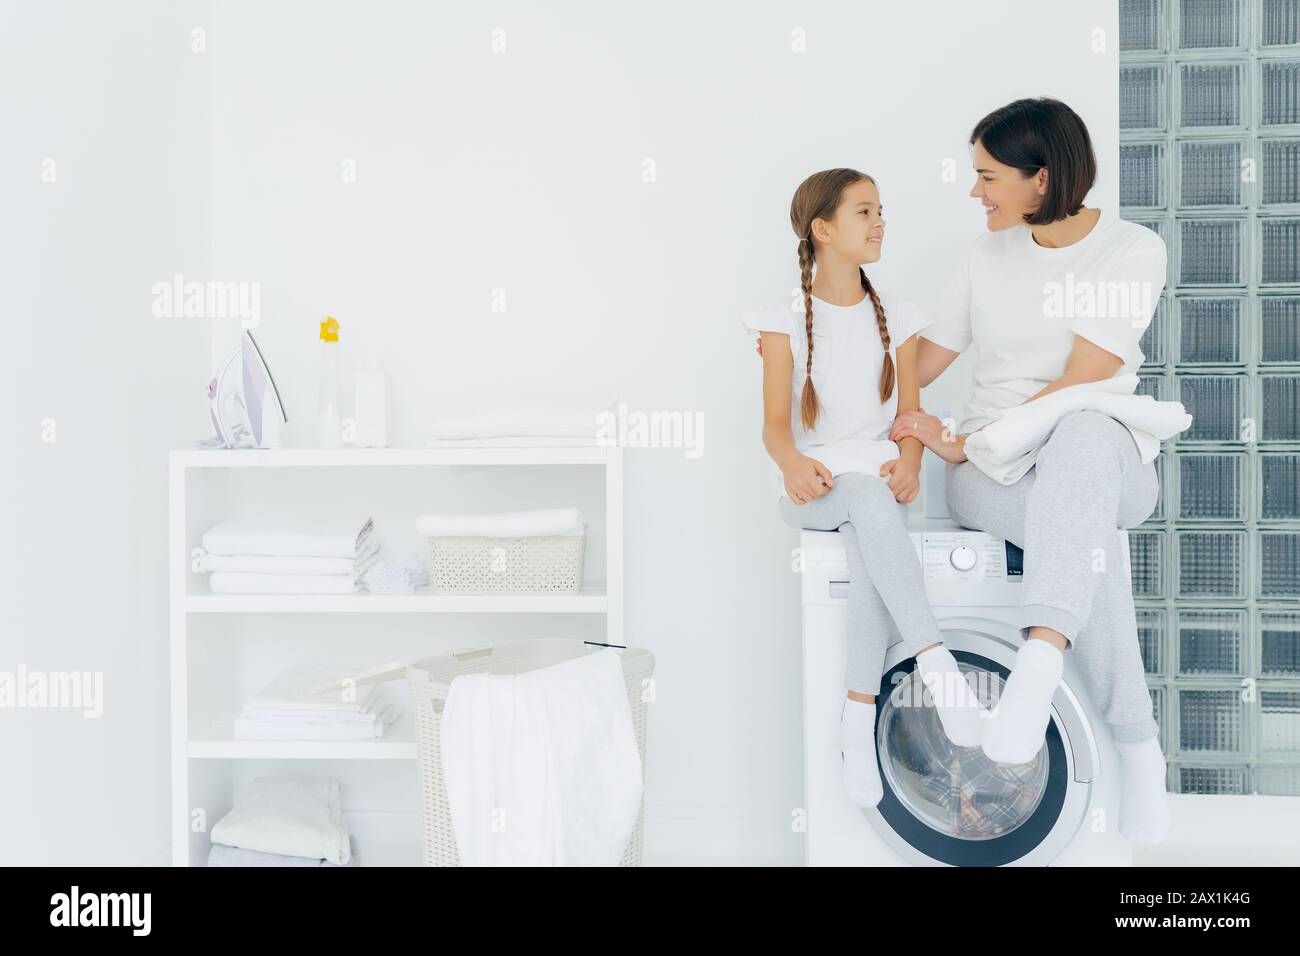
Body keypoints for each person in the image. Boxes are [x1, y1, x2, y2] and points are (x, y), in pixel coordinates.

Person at [891, 97, 1171, 843]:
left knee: (1078, 433)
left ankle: (1036, 668)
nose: (974, 191)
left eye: (987, 176)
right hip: (995, 476)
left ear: (1040, 179)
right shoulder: (983, 256)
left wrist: (971, 440)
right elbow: (920, 362)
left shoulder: (1131, 250)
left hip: (1104, 456)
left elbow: (1087, 378)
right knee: (1085, 541)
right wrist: (835, 350)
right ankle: (1139, 747)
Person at [742, 168, 987, 809]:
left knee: (870, 552)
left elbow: (909, 414)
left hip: (880, 485)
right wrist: (793, 463)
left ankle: (857, 715)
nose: (880, 223)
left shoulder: (899, 317)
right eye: (863, 212)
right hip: (816, 487)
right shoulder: (780, 321)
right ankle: (937, 664)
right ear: (822, 229)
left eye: (881, 211)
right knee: (866, 503)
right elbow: (773, 428)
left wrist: (910, 459)